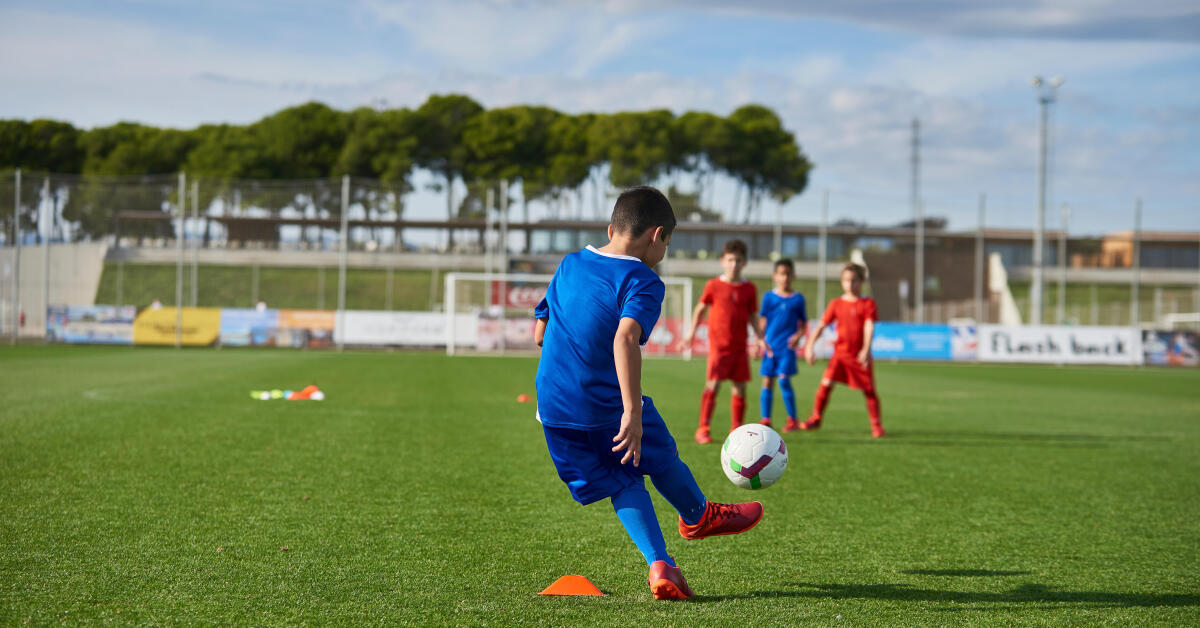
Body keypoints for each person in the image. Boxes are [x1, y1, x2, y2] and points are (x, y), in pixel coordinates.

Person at [533, 187, 764, 601]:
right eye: (668, 243)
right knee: (657, 453)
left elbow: (539, 330)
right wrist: (631, 412)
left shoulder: (569, 264)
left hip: (552, 409)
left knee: (621, 481)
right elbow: (625, 338)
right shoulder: (643, 279)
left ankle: (661, 565)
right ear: (657, 236)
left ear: (611, 228)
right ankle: (698, 516)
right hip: (604, 403)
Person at [683, 239, 764, 444]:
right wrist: (691, 333)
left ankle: (736, 430)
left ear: (744, 262)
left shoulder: (749, 289)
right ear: (722, 261)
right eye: (730, 260)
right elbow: (700, 308)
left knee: (740, 388)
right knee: (713, 385)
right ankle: (703, 428)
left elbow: (753, 316)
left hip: (740, 347)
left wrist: (760, 338)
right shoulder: (714, 285)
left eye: (738, 260)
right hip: (719, 347)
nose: (734, 264)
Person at [801, 262, 885, 438]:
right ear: (842, 282)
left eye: (854, 280)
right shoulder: (836, 303)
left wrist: (865, 349)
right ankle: (816, 417)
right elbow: (822, 326)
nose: (850, 284)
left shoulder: (867, 303)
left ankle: (876, 425)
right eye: (846, 280)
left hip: (860, 355)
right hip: (840, 354)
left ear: (861, 281)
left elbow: (869, 326)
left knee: (869, 390)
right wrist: (809, 346)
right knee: (826, 384)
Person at [756, 258, 807, 432]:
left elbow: (804, 324)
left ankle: (792, 420)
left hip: (787, 348)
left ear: (793, 276)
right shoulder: (769, 297)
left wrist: (798, 336)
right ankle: (766, 419)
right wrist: (759, 341)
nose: (784, 278)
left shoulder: (798, 299)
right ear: (775, 276)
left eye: (787, 274)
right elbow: (763, 320)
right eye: (781, 274)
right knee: (768, 381)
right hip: (770, 347)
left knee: (784, 380)